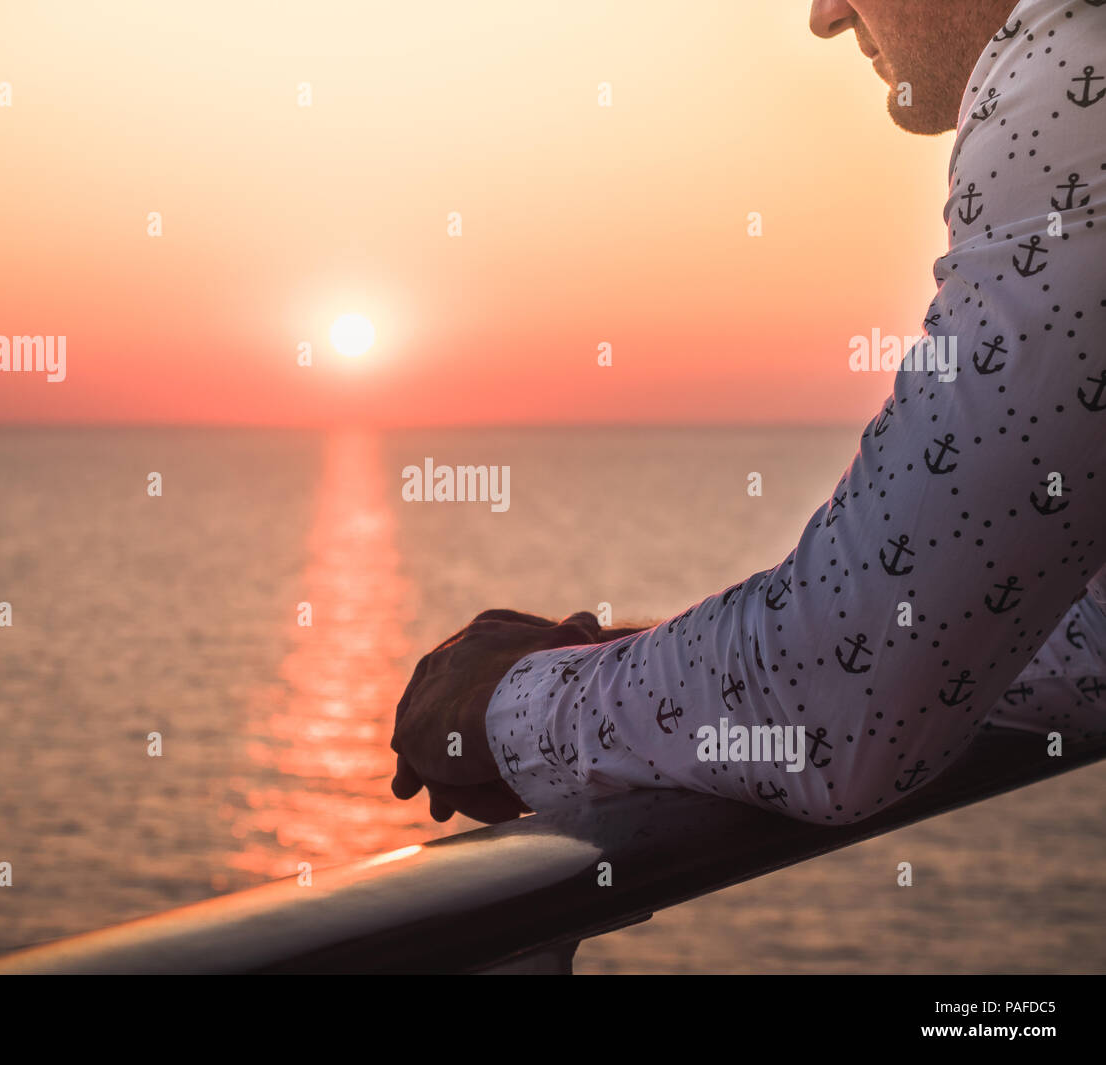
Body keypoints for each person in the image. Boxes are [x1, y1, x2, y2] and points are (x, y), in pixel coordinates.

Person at [390, 0, 1106, 826]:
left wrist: (503, 709)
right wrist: (619, 667)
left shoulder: (1069, 69)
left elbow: (835, 711)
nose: (825, 16)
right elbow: (1082, 642)